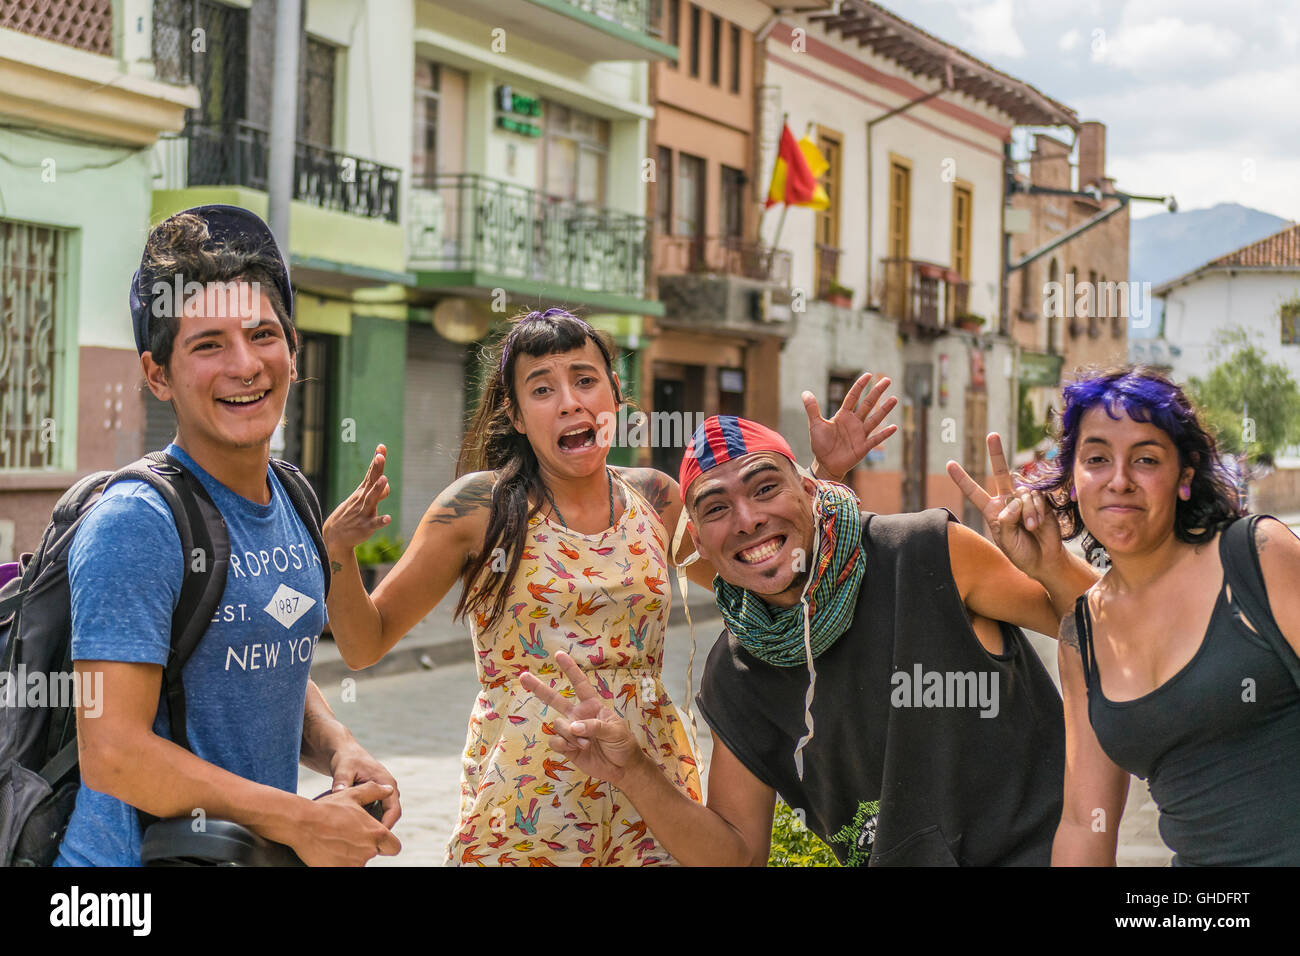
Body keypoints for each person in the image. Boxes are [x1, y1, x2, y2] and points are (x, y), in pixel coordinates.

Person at [323, 309, 897, 866]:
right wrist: (340, 553)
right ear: (517, 415)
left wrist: (823, 478)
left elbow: (774, 579)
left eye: (584, 380)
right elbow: (362, 643)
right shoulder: (478, 507)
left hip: (653, 786)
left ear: (615, 396)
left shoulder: (658, 499)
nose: (570, 401)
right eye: (542, 389)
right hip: (526, 800)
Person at [521, 414, 1098, 866]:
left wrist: (1050, 564)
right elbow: (737, 853)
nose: (746, 520)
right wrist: (633, 772)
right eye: (717, 508)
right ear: (697, 540)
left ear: (811, 490)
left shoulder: (923, 553)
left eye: (765, 488)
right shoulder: (737, 673)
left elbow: (1114, 626)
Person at [55, 205, 401, 867]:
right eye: (208, 344)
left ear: (293, 354)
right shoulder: (138, 523)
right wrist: (303, 821)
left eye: (263, 334)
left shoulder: (294, 498)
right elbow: (116, 755)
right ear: (158, 375)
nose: (244, 364)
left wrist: (338, 747)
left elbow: (268, 652)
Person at [985, 366, 1300, 866]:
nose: (1120, 481)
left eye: (1146, 459)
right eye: (1096, 459)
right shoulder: (1081, 637)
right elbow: (1084, 823)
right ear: (1072, 482)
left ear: (1184, 478)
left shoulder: (1259, 558)